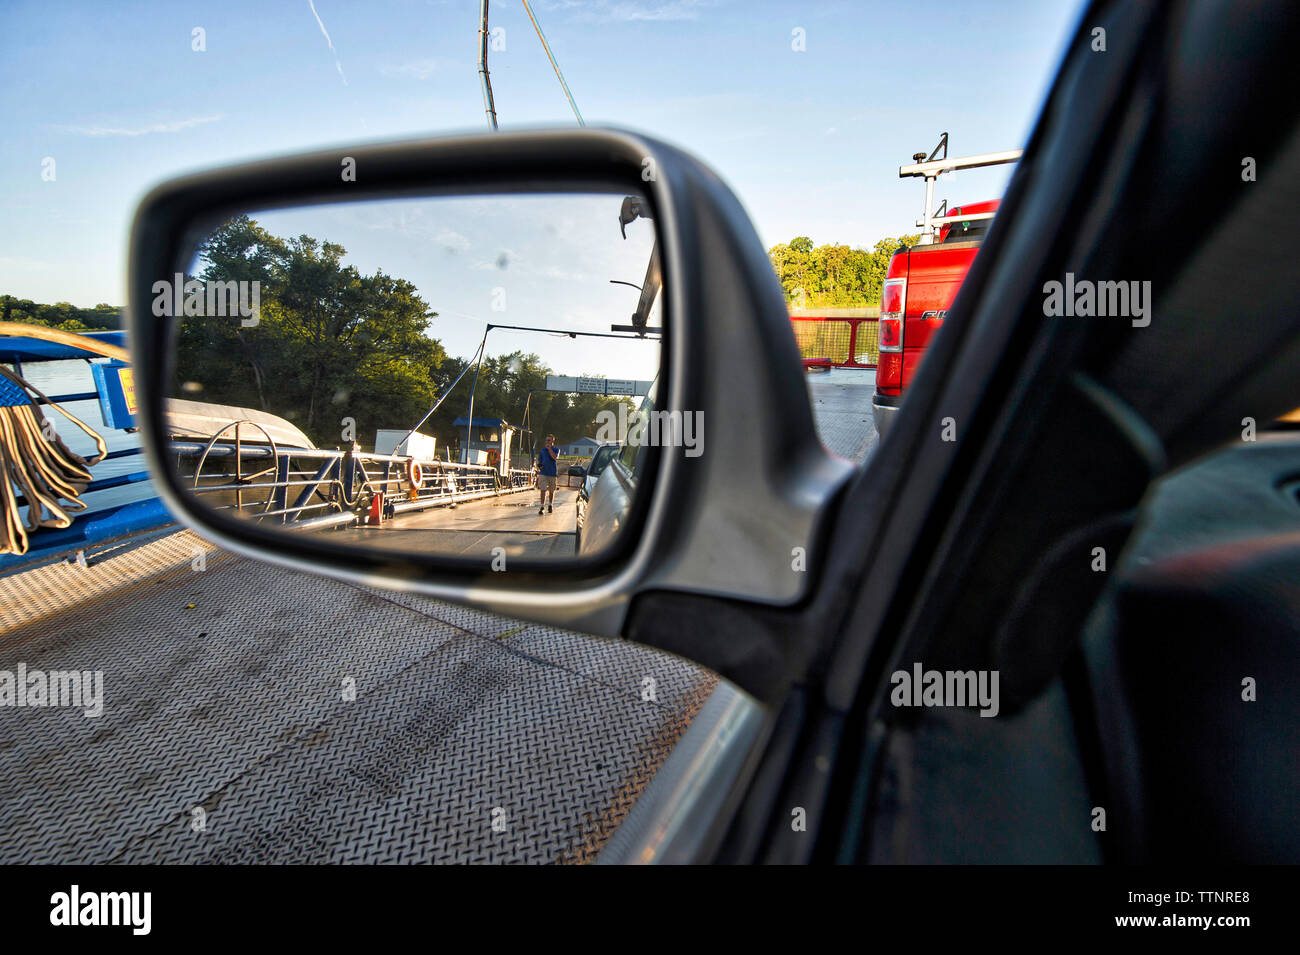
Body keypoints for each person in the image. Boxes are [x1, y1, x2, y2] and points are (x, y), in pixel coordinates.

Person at [536, 434, 559, 515]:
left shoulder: (556, 449)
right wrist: (539, 465)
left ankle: (550, 505)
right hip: (543, 473)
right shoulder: (542, 450)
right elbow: (539, 460)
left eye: (549, 440)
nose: (547, 442)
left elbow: (555, 457)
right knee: (543, 489)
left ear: (552, 441)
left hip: (552, 473)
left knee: (551, 491)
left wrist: (549, 449)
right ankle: (542, 506)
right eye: (546, 440)